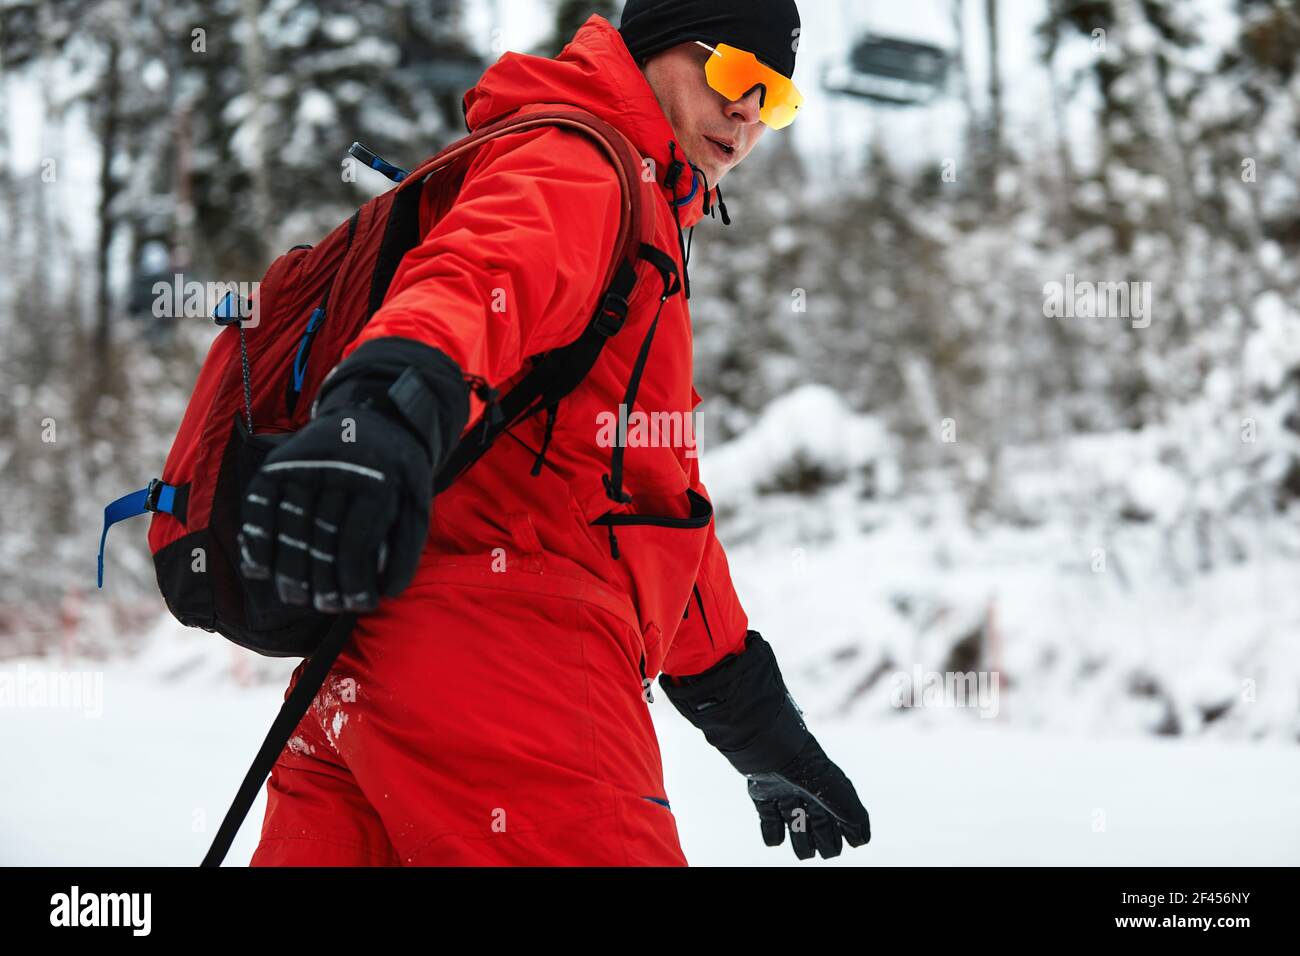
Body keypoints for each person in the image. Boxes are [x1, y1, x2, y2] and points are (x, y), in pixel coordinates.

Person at [240, 0, 870, 866]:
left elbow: (639, 511)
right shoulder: (585, 161)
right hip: (514, 679)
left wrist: (754, 720)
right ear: (654, 47)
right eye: (732, 74)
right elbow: (481, 276)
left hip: (362, 674)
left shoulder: (635, 208)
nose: (750, 113)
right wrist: (378, 416)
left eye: (777, 98)